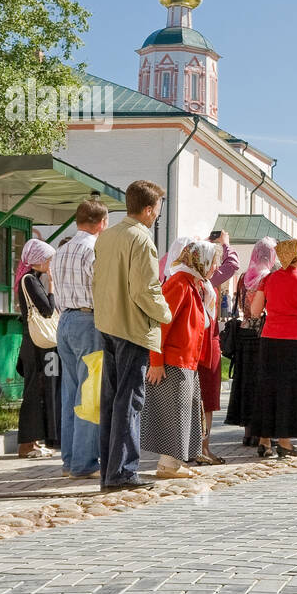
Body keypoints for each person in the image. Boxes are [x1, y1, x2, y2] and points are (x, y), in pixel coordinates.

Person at [94, 179, 171, 491]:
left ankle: (109, 472)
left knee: (111, 400)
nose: (157, 217)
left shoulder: (107, 235)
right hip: (133, 326)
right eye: (158, 211)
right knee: (130, 401)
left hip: (107, 323)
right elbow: (145, 289)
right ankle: (123, 472)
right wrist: (165, 314)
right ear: (149, 209)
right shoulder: (141, 238)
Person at [142, 239, 220, 479]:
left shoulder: (192, 284)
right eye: (213, 263)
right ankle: (168, 465)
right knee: (175, 413)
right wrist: (156, 360)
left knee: (184, 412)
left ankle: (172, 462)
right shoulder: (179, 283)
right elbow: (160, 324)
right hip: (173, 361)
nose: (215, 268)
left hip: (185, 360)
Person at [51, 199, 109, 479]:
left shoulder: (61, 251)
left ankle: (70, 459)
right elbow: (101, 287)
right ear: (101, 223)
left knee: (71, 391)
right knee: (90, 393)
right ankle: (85, 462)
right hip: (88, 320)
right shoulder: (92, 249)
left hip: (65, 320)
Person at [249, 239, 297, 456]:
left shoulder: (269, 279)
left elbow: (255, 310)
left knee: (268, 388)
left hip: (270, 339)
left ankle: (264, 440)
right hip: (296, 341)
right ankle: (285, 442)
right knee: (292, 390)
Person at [225, 238, 277, 447]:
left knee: (245, 382)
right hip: (262, 334)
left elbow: (239, 304)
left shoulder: (244, 277)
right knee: (260, 383)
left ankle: (247, 432)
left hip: (244, 333)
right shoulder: (268, 277)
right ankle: (259, 431)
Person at [195, 230, 239, 463]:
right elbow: (232, 265)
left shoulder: (173, 274)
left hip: (194, 341)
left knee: (195, 397)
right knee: (206, 398)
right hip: (204, 338)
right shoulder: (202, 281)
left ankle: (195, 447)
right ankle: (202, 447)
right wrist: (226, 244)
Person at [14, 239, 59, 459]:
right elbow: (48, 310)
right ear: (39, 260)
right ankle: (26, 443)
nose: (50, 263)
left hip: (32, 343)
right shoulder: (30, 280)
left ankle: (33, 441)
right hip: (34, 345)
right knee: (33, 391)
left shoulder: (29, 279)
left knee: (37, 390)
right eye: (48, 259)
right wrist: (51, 288)